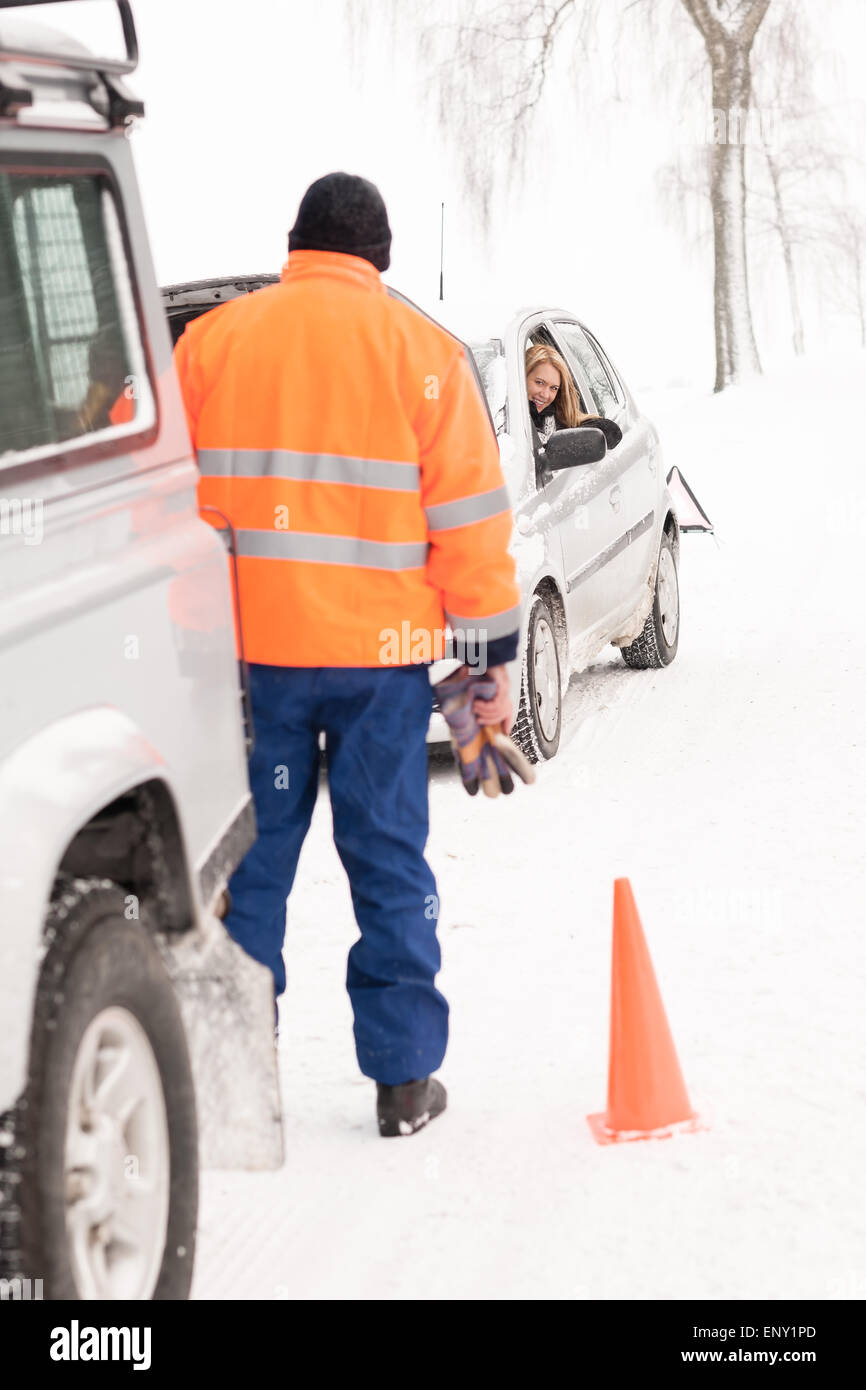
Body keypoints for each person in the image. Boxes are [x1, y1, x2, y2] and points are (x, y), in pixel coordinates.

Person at [173, 172, 521, 1138]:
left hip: (254, 667)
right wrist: (485, 672)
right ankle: (404, 1082)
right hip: (382, 666)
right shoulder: (425, 355)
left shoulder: (214, 343)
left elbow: (165, 505)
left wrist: (182, 637)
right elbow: (472, 529)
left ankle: (237, 1067)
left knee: (254, 864)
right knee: (387, 858)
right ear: (380, 259)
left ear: (297, 244)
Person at [525, 342, 622, 461]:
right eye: (539, 382)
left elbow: (612, 431)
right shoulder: (503, 423)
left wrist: (562, 446)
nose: (545, 395)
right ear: (522, 377)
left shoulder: (558, 418)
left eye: (553, 388)